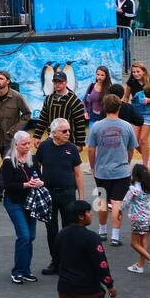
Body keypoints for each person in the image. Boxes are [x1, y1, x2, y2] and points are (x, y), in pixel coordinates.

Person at [35, 118, 84, 277]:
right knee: (51, 230)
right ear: (54, 133)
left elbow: (78, 174)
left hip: (68, 194)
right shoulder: (44, 147)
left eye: (69, 130)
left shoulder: (72, 149)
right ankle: (55, 262)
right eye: (64, 131)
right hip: (48, 194)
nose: (68, 134)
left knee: (69, 229)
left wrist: (81, 197)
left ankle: (69, 262)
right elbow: (36, 167)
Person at [88, 94, 138, 247]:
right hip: (121, 171)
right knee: (117, 203)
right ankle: (115, 236)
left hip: (102, 170)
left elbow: (91, 150)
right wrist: (127, 162)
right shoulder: (126, 126)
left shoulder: (96, 126)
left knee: (102, 200)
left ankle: (102, 231)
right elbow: (131, 149)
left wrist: (93, 166)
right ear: (119, 108)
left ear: (104, 106)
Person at [55, 200, 117, 298]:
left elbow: (57, 258)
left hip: (65, 287)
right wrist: (109, 285)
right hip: (88, 289)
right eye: (88, 212)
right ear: (81, 216)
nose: (91, 214)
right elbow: (101, 264)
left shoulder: (61, 234)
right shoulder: (92, 237)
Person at [0, 131, 45, 283]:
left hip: (30, 201)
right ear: (16, 144)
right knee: (24, 236)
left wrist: (40, 182)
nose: (27, 146)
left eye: (29, 143)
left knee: (31, 237)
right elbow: (7, 185)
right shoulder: (8, 161)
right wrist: (25, 184)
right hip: (14, 202)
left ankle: (26, 270)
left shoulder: (32, 158)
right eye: (24, 144)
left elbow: (40, 175)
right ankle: (17, 271)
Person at [0, 70, 31, 200]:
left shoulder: (17, 97)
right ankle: (15, 185)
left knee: (6, 162)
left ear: (8, 81)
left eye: (1, 78)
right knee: (10, 164)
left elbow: (27, 114)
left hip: (12, 139)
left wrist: (15, 130)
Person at [36, 70, 88, 148]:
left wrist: (79, 143)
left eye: (60, 82)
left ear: (66, 82)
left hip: (69, 142)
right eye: (55, 82)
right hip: (52, 140)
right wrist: (37, 136)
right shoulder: (49, 99)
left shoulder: (75, 101)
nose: (57, 84)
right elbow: (43, 118)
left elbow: (80, 124)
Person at [124, 164, 150, 273]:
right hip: (149, 218)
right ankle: (140, 266)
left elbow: (125, 202)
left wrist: (118, 210)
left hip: (139, 219)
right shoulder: (149, 187)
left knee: (134, 243)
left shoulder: (134, 189)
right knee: (143, 241)